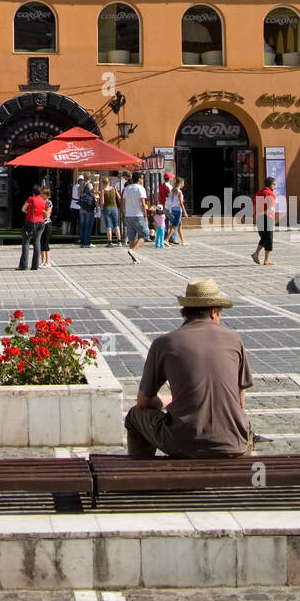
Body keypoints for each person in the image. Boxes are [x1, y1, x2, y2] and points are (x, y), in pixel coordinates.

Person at [124, 278, 254, 459]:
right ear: (214, 312)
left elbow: (143, 402)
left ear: (186, 311)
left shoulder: (165, 343)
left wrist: (165, 401)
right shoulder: (234, 339)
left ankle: (141, 475)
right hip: (234, 442)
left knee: (135, 416)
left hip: (182, 443)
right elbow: (240, 402)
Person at [18, 184, 47, 271]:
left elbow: (23, 209)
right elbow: (44, 211)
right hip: (41, 223)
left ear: (33, 192)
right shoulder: (43, 200)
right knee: (37, 243)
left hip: (31, 222)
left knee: (26, 243)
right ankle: (35, 265)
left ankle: (24, 265)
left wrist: (29, 211)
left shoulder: (31, 199)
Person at [122, 173, 149, 264]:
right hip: (138, 214)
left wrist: (124, 212)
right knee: (145, 235)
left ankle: (133, 257)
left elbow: (124, 201)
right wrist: (145, 215)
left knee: (131, 237)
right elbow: (143, 203)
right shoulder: (140, 188)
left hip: (129, 214)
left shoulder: (127, 188)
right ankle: (133, 250)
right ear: (139, 179)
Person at [251, 176, 276, 266]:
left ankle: (256, 254)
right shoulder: (270, 194)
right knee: (268, 238)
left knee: (264, 237)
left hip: (258, 217)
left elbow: (254, 204)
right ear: (270, 185)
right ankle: (266, 259)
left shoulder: (258, 193)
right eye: (274, 184)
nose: (275, 185)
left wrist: (256, 215)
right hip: (267, 217)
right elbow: (271, 208)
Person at [166, 177, 187, 246]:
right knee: (174, 226)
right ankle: (166, 239)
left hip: (173, 209)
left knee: (179, 226)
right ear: (180, 183)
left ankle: (183, 241)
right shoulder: (179, 192)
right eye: (183, 183)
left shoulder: (173, 191)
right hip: (178, 210)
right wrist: (185, 212)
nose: (183, 184)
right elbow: (181, 203)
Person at [100, 176, 121, 246]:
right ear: (109, 182)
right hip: (114, 208)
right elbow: (119, 197)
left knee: (108, 226)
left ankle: (110, 242)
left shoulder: (103, 191)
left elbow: (102, 202)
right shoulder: (114, 189)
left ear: (103, 183)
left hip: (107, 209)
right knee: (116, 225)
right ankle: (119, 241)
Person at [78, 180, 98, 248]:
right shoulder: (89, 185)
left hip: (82, 207)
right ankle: (87, 242)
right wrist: (96, 203)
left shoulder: (80, 185)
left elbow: (79, 196)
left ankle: (82, 242)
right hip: (89, 208)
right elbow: (92, 194)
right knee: (88, 226)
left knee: (82, 225)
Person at [39, 184, 53, 267]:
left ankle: (48, 261)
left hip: (47, 223)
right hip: (40, 223)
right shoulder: (40, 201)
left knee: (46, 243)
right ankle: (42, 260)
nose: (41, 195)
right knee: (40, 242)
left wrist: (41, 210)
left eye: (43, 194)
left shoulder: (48, 202)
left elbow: (47, 214)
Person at [68, 176, 81, 240]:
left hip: (74, 205)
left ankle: (73, 234)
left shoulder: (74, 186)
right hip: (78, 205)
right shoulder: (79, 187)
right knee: (78, 221)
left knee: (74, 221)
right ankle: (77, 234)